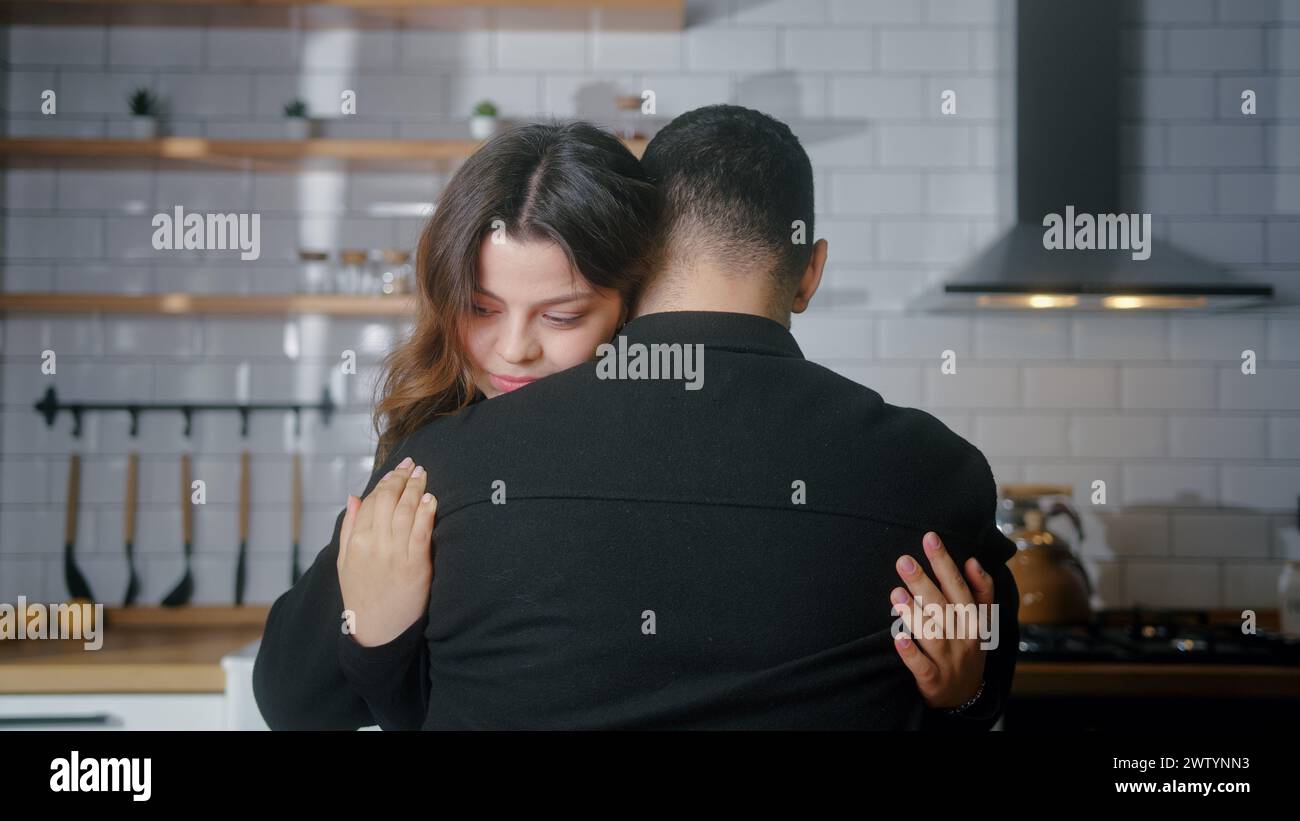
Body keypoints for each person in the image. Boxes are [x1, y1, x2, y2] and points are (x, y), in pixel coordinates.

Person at [253, 107, 1018, 730]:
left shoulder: (439, 470)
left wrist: (374, 638)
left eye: (556, 312)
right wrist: (963, 698)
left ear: (637, 268)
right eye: (483, 308)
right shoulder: (937, 475)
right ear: (809, 272)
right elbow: (966, 695)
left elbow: (296, 701)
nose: (513, 347)